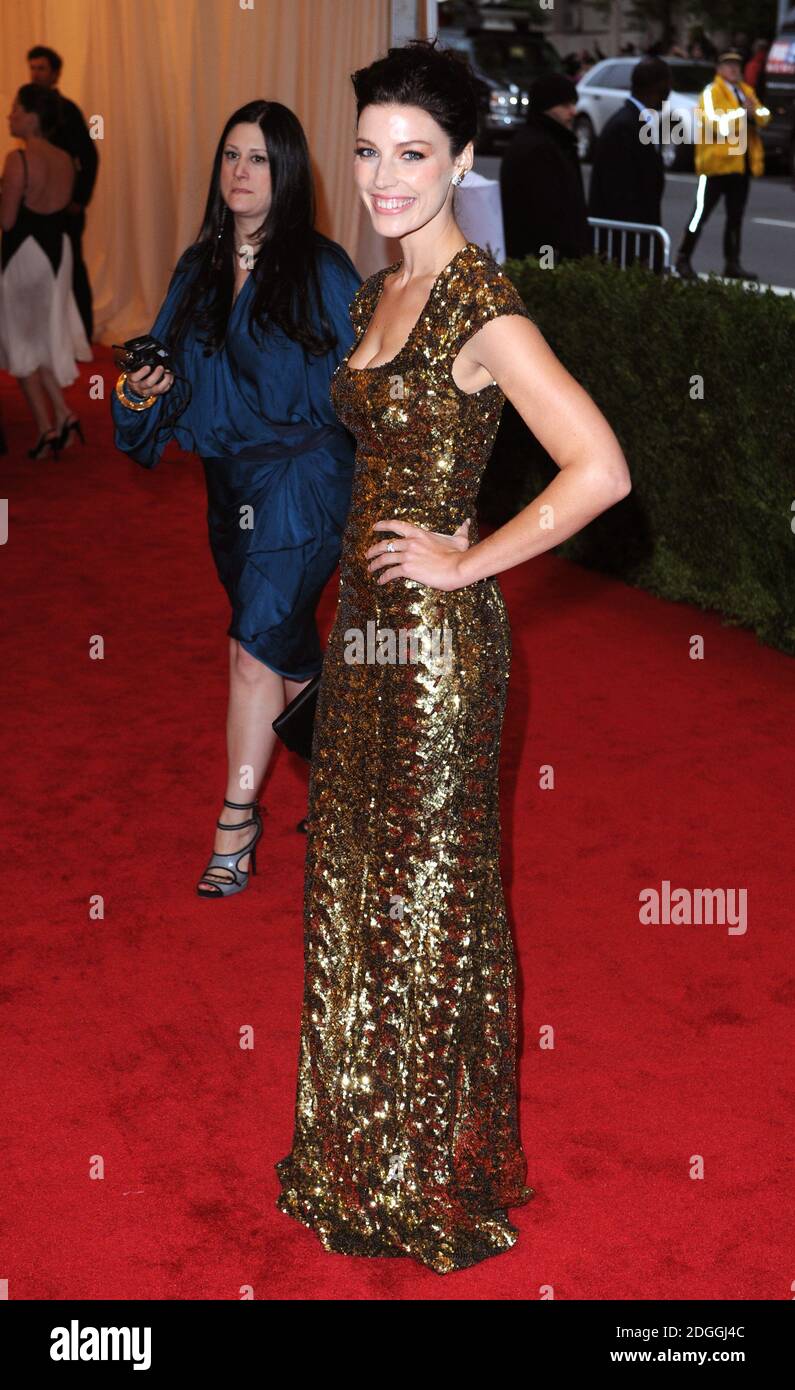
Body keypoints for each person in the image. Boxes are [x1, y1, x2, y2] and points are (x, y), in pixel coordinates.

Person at [275, 39, 631, 1275]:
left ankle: (426, 1167)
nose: (384, 176)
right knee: (357, 887)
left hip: (438, 654)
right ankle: (358, 1142)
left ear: (462, 161)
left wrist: (469, 558)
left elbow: (600, 468)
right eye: (368, 151)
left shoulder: (483, 302)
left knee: (427, 907)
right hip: (367, 639)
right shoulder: (384, 291)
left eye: (414, 154)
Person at [110, 100, 360, 896]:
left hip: (304, 483)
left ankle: (234, 824)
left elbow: (361, 390)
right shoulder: (196, 268)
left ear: (286, 173)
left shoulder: (321, 269)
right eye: (230, 157)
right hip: (231, 488)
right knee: (283, 649)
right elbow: (170, 385)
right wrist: (145, 389)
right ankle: (355, 793)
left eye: (257, 158)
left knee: (251, 651)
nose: (240, 173)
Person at [0, 84, 91, 459]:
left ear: (32, 117)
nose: (10, 116)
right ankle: (66, 416)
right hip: (59, 253)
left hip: (24, 255)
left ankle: (45, 430)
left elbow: (7, 221)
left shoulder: (18, 159)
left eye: (16, 109)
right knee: (40, 341)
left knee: (19, 344)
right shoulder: (65, 159)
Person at [675, 50, 771, 281]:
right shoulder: (711, 92)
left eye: (737, 65)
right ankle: (683, 258)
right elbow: (714, 123)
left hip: (740, 166)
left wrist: (754, 112)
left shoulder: (746, 91)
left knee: (735, 217)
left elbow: (765, 116)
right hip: (715, 166)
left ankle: (732, 263)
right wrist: (742, 113)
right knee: (700, 214)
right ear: (718, 70)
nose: (734, 69)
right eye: (728, 65)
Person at [27, 46, 98, 344]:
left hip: (64, 209)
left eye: (42, 68)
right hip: (37, 208)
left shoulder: (65, 110)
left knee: (71, 268)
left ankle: (83, 330)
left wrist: (78, 199)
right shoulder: (33, 111)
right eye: (32, 67)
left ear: (56, 73)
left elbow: (88, 156)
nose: (35, 73)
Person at [588, 58, 671, 272]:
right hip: (626, 239)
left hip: (637, 234)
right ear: (658, 86)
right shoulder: (624, 126)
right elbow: (619, 191)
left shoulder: (640, 121)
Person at [500, 73, 590, 264]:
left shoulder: (552, 142)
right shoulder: (538, 148)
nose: (573, 111)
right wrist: (550, 264)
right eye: (565, 105)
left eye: (573, 103)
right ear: (546, 108)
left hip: (545, 260)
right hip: (544, 262)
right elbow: (546, 219)